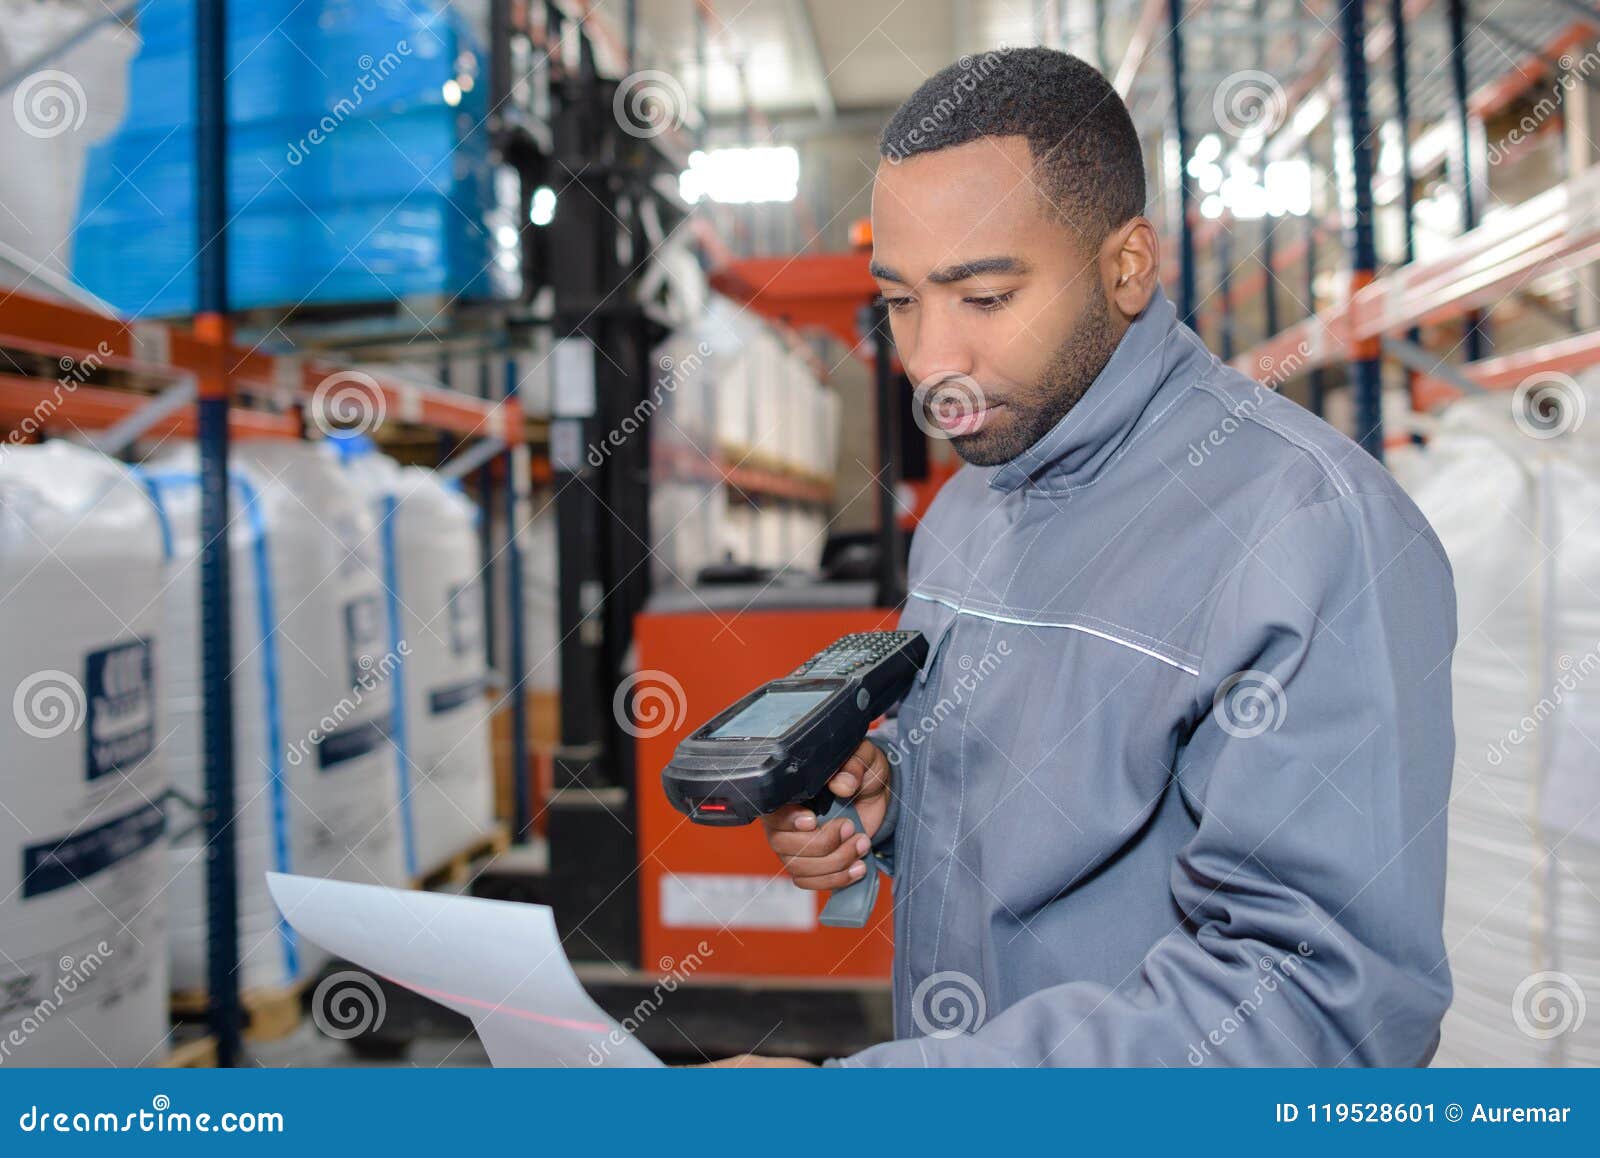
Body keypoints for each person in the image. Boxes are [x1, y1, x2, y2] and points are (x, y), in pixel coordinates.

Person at [712, 46, 1456, 1067]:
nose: (930, 362)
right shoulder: (969, 509)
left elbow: (1322, 1012)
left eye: (982, 298)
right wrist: (894, 807)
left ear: (1126, 266)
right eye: (899, 301)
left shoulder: (1306, 531)